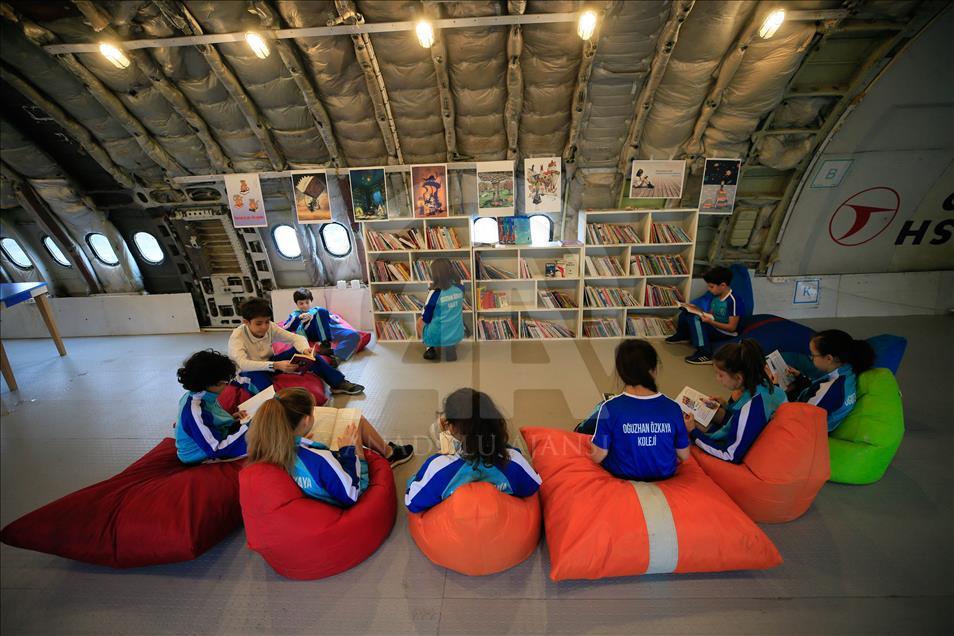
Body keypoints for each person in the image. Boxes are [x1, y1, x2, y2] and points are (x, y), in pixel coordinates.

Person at [246, 388, 413, 506]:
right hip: (348, 491)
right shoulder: (319, 459)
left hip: (312, 484)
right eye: (313, 412)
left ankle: (389, 452)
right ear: (305, 421)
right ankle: (390, 454)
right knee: (355, 425)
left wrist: (301, 439)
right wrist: (351, 452)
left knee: (352, 424)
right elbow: (351, 494)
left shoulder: (268, 444)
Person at [405, 389, 541, 513]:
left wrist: (412, 479)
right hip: (498, 515)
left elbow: (412, 501)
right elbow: (533, 485)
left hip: (457, 520)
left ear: (452, 428)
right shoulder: (514, 462)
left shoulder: (439, 468)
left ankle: (445, 434)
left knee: (444, 447)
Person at [576, 340, 690, 481]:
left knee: (593, 428)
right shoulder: (673, 407)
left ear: (621, 372)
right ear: (654, 370)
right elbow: (684, 455)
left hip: (622, 474)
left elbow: (598, 456)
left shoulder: (610, 407)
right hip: (664, 474)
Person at [228, 297, 364, 395]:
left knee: (306, 354)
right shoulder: (237, 336)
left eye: (267, 321)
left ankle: (337, 383)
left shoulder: (270, 328)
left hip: (270, 363)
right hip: (250, 371)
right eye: (258, 323)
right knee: (265, 388)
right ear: (246, 322)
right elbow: (243, 363)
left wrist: (305, 349)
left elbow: (296, 338)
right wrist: (275, 365)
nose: (264, 327)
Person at [689, 339, 787, 464]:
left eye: (720, 375)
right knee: (702, 419)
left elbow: (730, 455)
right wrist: (726, 406)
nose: (717, 379)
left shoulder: (753, 406)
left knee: (689, 427)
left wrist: (693, 432)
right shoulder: (765, 385)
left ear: (739, 377)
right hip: (759, 436)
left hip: (752, 456)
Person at [175, 349, 256, 464]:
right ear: (210, 383)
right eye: (225, 382)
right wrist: (249, 427)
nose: (227, 385)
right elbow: (216, 448)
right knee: (263, 442)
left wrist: (231, 418)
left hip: (213, 440)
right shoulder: (194, 409)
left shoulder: (204, 395)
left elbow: (210, 419)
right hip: (200, 455)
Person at [787, 329, 874, 431]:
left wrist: (779, 394)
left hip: (807, 430)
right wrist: (800, 379)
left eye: (813, 355)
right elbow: (820, 394)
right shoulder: (847, 372)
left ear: (829, 358)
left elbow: (800, 419)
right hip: (810, 413)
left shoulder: (833, 389)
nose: (811, 358)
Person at [666, 265, 743, 365]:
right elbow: (711, 314)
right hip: (714, 325)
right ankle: (683, 335)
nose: (709, 289)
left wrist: (711, 322)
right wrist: (696, 309)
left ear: (723, 285)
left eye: (711, 286)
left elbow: (731, 328)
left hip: (724, 332)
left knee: (695, 319)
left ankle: (705, 352)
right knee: (687, 312)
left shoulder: (733, 301)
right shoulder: (716, 296)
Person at [282, 288, 364, 363]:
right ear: (296, 304)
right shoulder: (295, 314)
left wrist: (328, 317)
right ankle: (325, 343)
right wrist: (299, 318)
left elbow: (332, 319)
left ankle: (336, 355)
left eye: (307, 302)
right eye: (301, 303)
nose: (305, 305)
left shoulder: (316, 310)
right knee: (320, 310)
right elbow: (286, 327)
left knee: (354, 335)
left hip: (329, 329)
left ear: (311, 301)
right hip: (312, 333)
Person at [417, 258, 465, 361]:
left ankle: (430, 348)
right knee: (449, 315)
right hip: (457, 334)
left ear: (435, 274)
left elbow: (426, 318)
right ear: (451, 271)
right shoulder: (460, 288)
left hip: (438, 335)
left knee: (420, 321)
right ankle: (450, 347)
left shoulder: (435, 293)